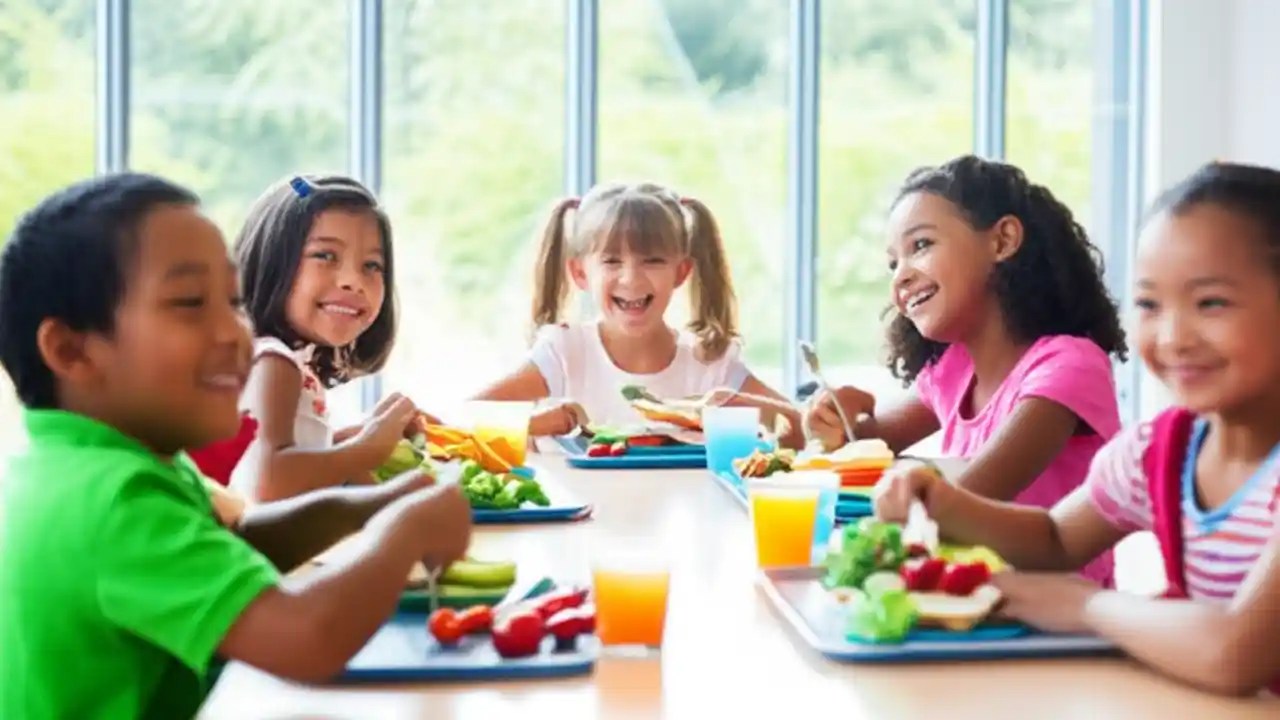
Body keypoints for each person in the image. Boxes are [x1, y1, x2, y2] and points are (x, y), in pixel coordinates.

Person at [0, 173, 473, 718]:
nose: (235, 332)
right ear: (71, 350)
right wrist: (403, 534)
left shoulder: (89, 464)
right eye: (189, 303)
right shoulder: (115, 501)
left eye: (233, 301)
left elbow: (235, 539)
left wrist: (370, 506)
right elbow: (306, 639)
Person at [875, 162, 1280, 696]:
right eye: (1149, 305)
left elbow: (1235, 655)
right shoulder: (1161, 451)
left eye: (1211, 303)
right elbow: (1056, 537)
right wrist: (941, 503)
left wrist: (1084, 605)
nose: (1174, 335)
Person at [807, 156, 1127, 585]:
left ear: (1003, 240)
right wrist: (837, 420)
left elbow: (970, 497)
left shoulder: (1070, 365)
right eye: (892, 263)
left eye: (920, 245)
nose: (901, 277)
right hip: (971, 602)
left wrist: (902, 472)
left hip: (1057, 623)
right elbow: (869, 446)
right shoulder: (954, 367)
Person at [477, 182, 803, 447]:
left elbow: (802, 433)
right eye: (611, 261)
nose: (631, 279)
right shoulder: (565, 353)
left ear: (681, 271)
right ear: (580, 274)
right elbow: (466, 420)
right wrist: (537, 423)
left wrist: (815, 415)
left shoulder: (710, 365)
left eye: (653, 261)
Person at [229, 174, 431, 501]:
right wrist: (366, 449)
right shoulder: (273, 364)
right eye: (325, 256)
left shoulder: (288, 361)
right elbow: (267, 482)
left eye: (371, 265)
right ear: (272, 261)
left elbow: (295, 454)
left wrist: (361, 436)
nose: (353, 280)